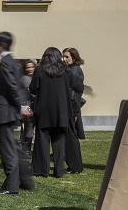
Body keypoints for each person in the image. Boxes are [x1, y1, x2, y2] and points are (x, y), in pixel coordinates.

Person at [0, 31, 33, 195]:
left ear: (1, 45)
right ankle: (17, 182)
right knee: (10, 148)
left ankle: (11, 186)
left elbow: (12, 86)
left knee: (7, 150)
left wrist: (22, 105)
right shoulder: (10, 61)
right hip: (7, 112)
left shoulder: (6, 62)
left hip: (5, 112)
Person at [30, 47, 71, 178]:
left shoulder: (40, 70)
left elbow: (33, 88)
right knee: (59, 141)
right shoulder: (65, 71)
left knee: (42, 140)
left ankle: (43, 169)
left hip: (44, 110)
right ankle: (59, 170)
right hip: (61, 110)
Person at [62, 47, 85, 174]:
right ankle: (73, 165)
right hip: (70, 107)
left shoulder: (74, 71)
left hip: (71, 108)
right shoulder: (71, 69)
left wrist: (75, 111)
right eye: (63, 56)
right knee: (70, 137)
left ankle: (74, 166)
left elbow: (76, 92)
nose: (64, 59)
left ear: (74, 58)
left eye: (67, 57)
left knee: (71, 138)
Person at [20, 59, 36, 153]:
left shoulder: (34, 77)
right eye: (28, 67)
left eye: (32, 67)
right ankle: (26, 149)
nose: (30, 69)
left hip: (32, 104)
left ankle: (26, 148)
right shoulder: (25, 79)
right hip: (28, 105)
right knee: (29, 128)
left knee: (28, 128)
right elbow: (31, 93)